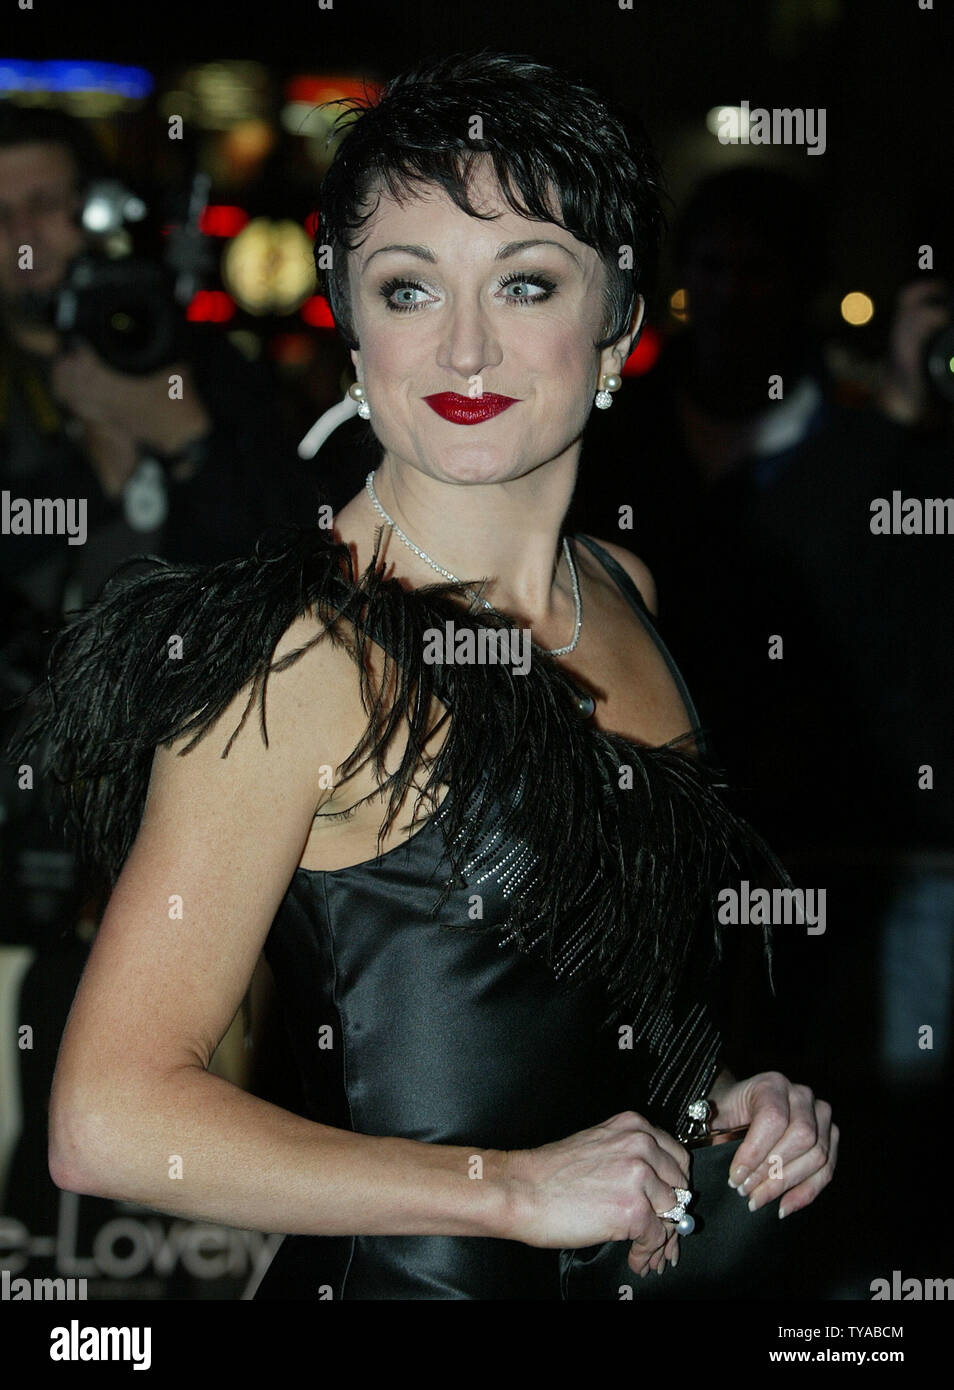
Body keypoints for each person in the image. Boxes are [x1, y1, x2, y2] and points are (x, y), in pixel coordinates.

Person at [8, 54, 837, 1300]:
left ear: (616, 321)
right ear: (351, 326)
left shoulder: (624, 592)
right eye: (408, 288)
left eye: (524, 282)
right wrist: (504, 1189)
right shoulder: (302, 656)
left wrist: (726, 1102)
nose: (463, 347)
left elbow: (573, 1012)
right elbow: (107, 1117)